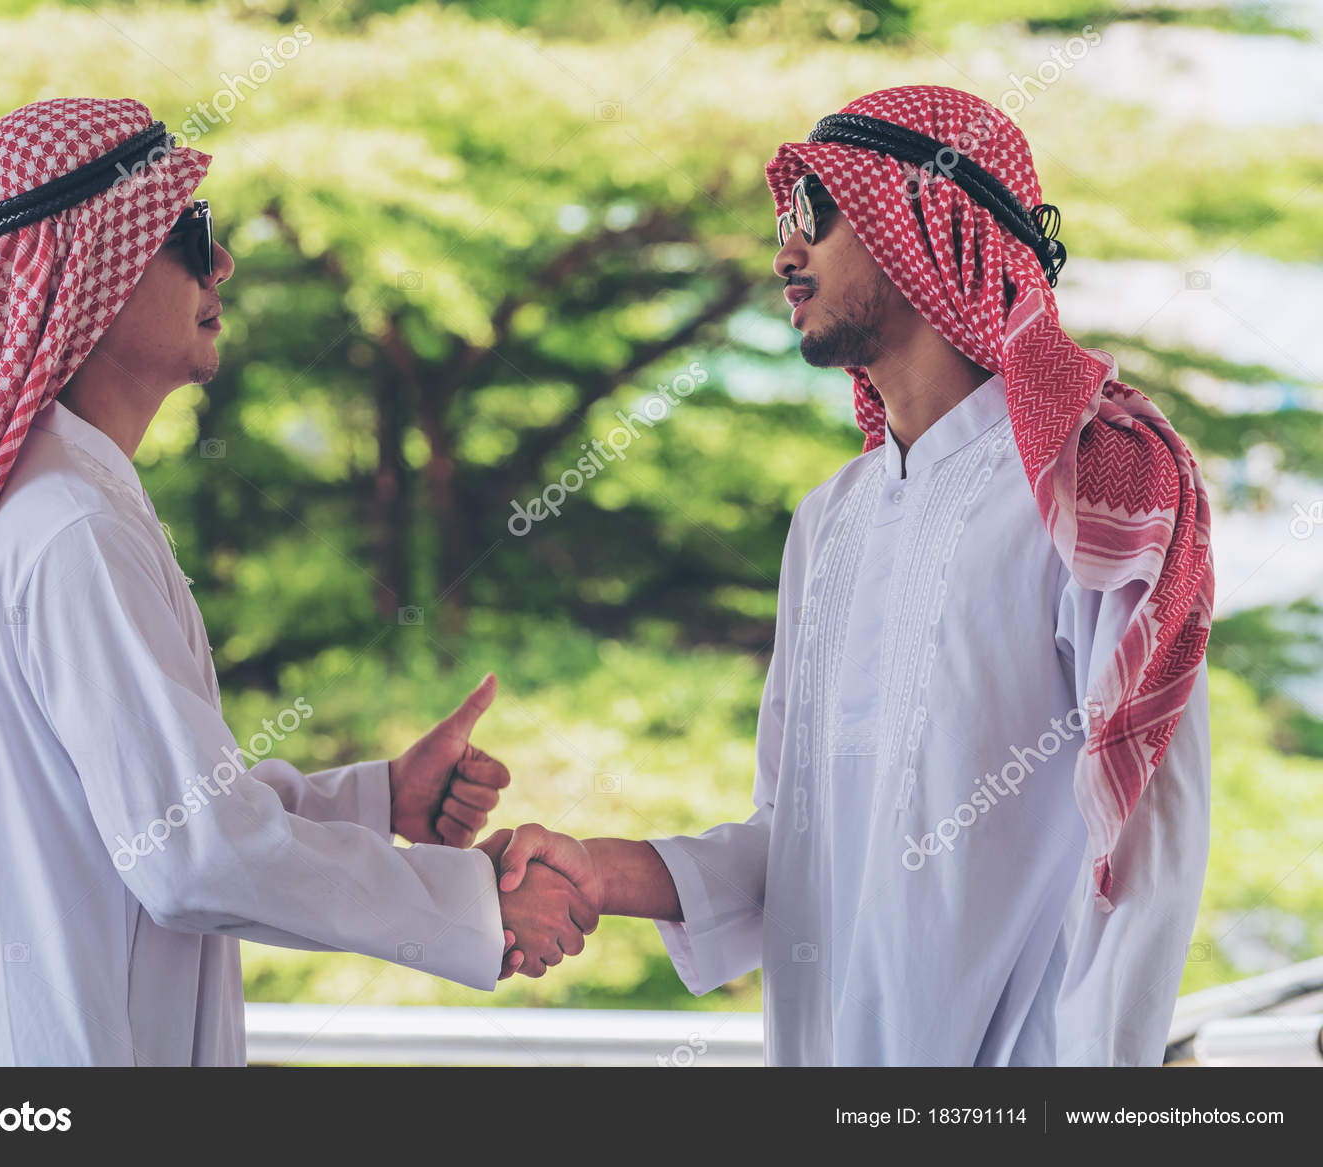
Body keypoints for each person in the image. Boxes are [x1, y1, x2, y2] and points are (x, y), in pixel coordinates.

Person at [0, 98, 593, 1066]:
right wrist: (475, 904)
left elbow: (149, 804)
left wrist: (377, 800)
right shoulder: (71, 524)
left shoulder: (52, 499)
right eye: (192, 233)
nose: (224, 265)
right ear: (94, 266)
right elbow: (192, 853)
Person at [493, 85, 1214, 1066]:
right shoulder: (827, 521)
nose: (785, 253)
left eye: (816, 214)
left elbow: (1146, 847)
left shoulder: (1092, 487)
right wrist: (604, 872)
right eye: (782, 223)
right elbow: (796, 843)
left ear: (926, 224)